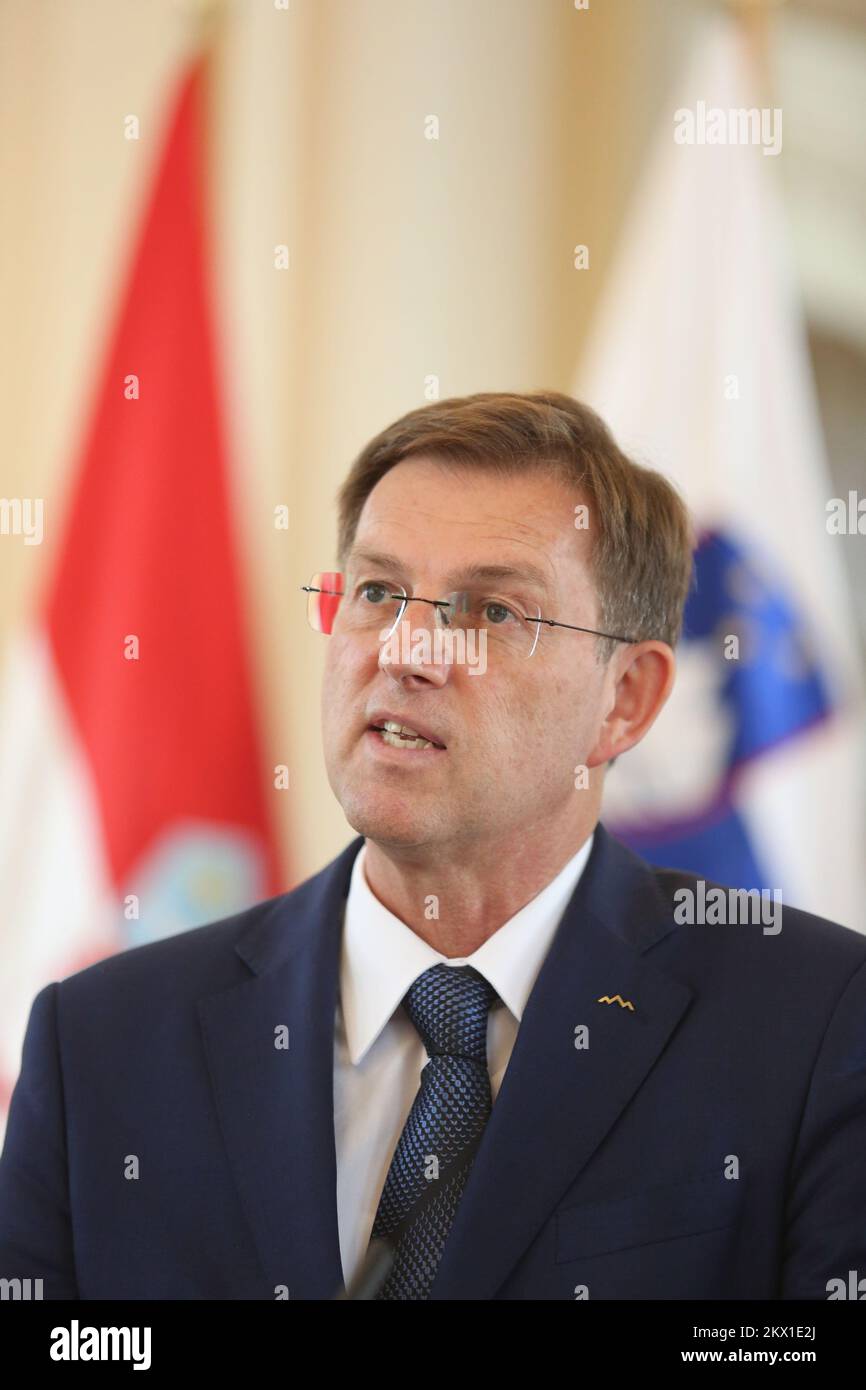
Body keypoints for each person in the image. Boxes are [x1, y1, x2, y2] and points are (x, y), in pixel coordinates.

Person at [1, 390, 864, 1300]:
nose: (407, 651)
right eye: (377, 593)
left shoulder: (815, 1027)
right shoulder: (101, 1042)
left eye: (493, 612)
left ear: (625, 700)